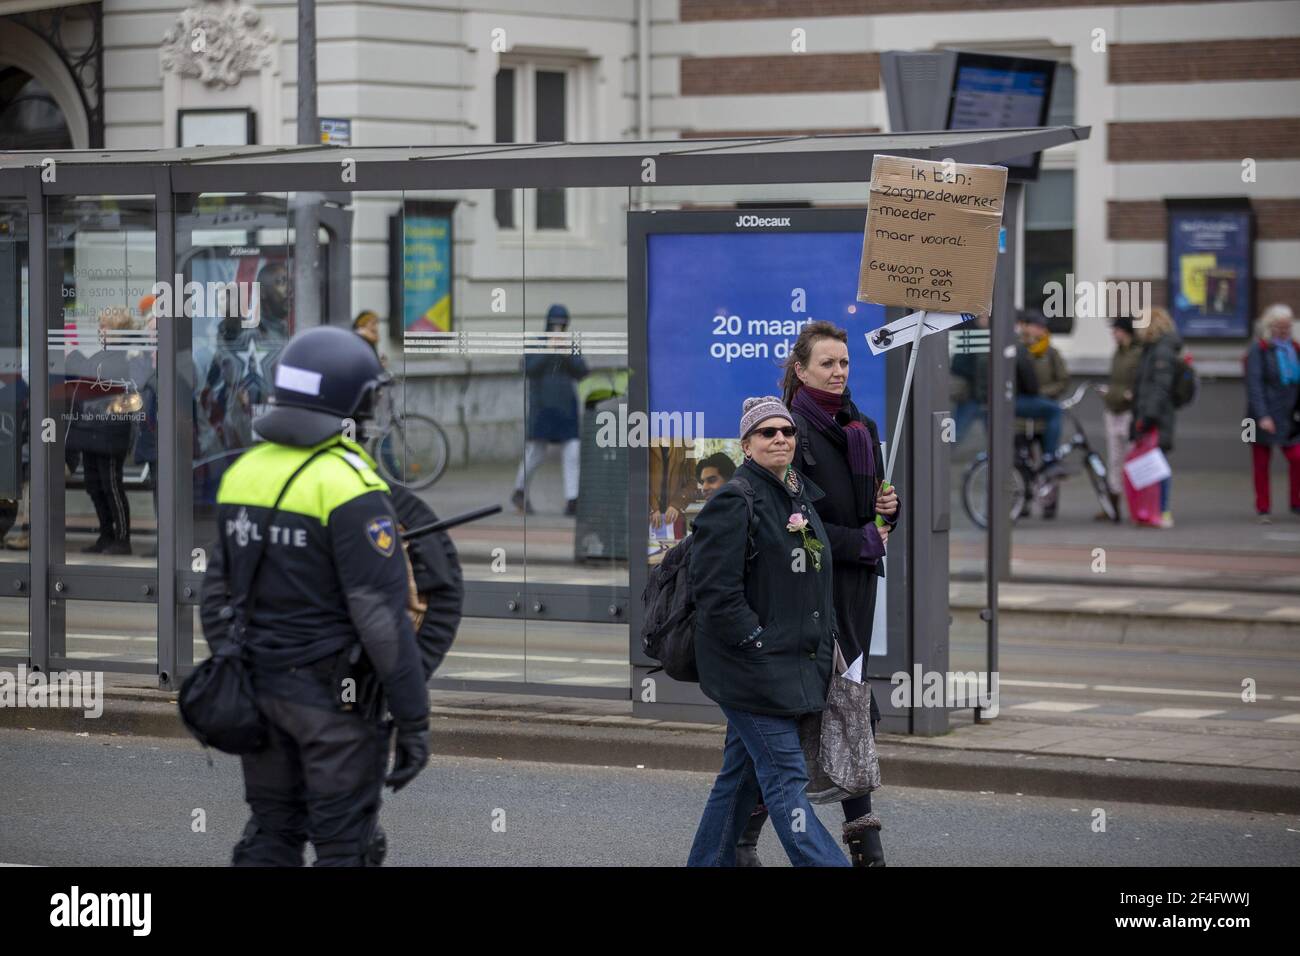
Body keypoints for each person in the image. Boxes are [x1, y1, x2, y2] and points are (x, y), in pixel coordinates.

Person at [199, 325, 430, 866]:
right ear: (343, 404)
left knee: (272, 834)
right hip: (335, 708)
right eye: (368, 399)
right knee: (344, 846)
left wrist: (242, 665)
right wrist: (414, 720)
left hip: (260, 691)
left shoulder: (242, 473)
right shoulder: (351, 485)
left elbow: (215, 596)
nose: (373, 411)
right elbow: (380, 619)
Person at [729, 321, 897, 868]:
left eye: (845, 362)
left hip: (854, 590)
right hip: (812, 590)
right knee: (837, 712)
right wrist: (863, 538)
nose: (839, 371)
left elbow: (869, 507)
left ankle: (738, 839)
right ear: (800, 370)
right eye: (827, 363)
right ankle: (863, 847)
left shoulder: (861, 426)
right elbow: (802, 521)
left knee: (831, 711)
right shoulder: (792, 430)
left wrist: (888, 511)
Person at [687, 396, 850, 868]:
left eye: (787, 432)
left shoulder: (797, 495)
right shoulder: (734, 500)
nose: (780, 438)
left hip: (789, 667)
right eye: (767, 433)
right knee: (785, 779)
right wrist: (756, 642)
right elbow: (715, 593)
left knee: (738, 780)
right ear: (746, 444)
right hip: (751, 672)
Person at [65, 306, 139, 555]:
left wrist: (72, 354)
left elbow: (92, 375)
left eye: (105, 327)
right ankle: (106, 534)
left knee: (111, 484)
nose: (100, 331)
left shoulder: (121, 358)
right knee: (94, 485)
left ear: (118, 332)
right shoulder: (104, 354)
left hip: (108, 433)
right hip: (91, 431)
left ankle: (122, 538)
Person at [512, 304, 587, 516]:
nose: (558, 329)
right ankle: (519, 490)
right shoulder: (536, 344)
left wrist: (565, 353)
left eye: (562, 325)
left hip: (566, 410)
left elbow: (582, 371)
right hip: (542, 409)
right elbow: (528, 368)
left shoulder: (569, 347)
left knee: (572, 452)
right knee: (535, 453)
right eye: (555, 324)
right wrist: (549, 349)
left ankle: (573, 499)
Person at [1244, 303, 1300, 522]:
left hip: (1288, 415)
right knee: (1260, 463)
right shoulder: (1259, 348)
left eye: (1287, 327)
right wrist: (1262, 416)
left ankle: (1296, 502)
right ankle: (1263, 508)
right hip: (1255, 418)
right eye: (1280, 327)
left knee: (1297, 458)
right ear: (1270, 326)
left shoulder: (1294, 349)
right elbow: (1254, 385)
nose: (1285, 331)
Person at [1129, 306, 1182, 529]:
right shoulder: (1153, 349)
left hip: (1156, 417)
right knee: (1151, 463)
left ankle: (1161, 510)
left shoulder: (1161, 351)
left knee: (1157, 465)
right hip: (1151, 414)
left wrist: (1147, 417)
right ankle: (1150, 509)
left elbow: (1160, 387)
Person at [1012, 314, 1064, 481]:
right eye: (1037, 326)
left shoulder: (1051, 353)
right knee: (1022, 469)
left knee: (1048, 472)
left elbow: (1062, 380)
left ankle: (1049, 503)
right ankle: (1024, 504)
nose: (1041, 330)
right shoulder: (1017, 350)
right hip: (1021, 423)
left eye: (1043, 327)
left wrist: (1043, 393)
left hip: (1043, 420)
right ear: (1026, 326)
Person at [1100, 316, 1141, 518]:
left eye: (1115, 330)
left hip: (1128, 412)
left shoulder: (1137, 354)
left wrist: (1125, 394)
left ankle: (1137, 502)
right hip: (1113, 408)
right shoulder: (1117, 353)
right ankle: (1112, 504)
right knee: (1114, 459)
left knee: (1130, 458)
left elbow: (1136, 384)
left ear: (1124, 331)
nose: (1113, 334)